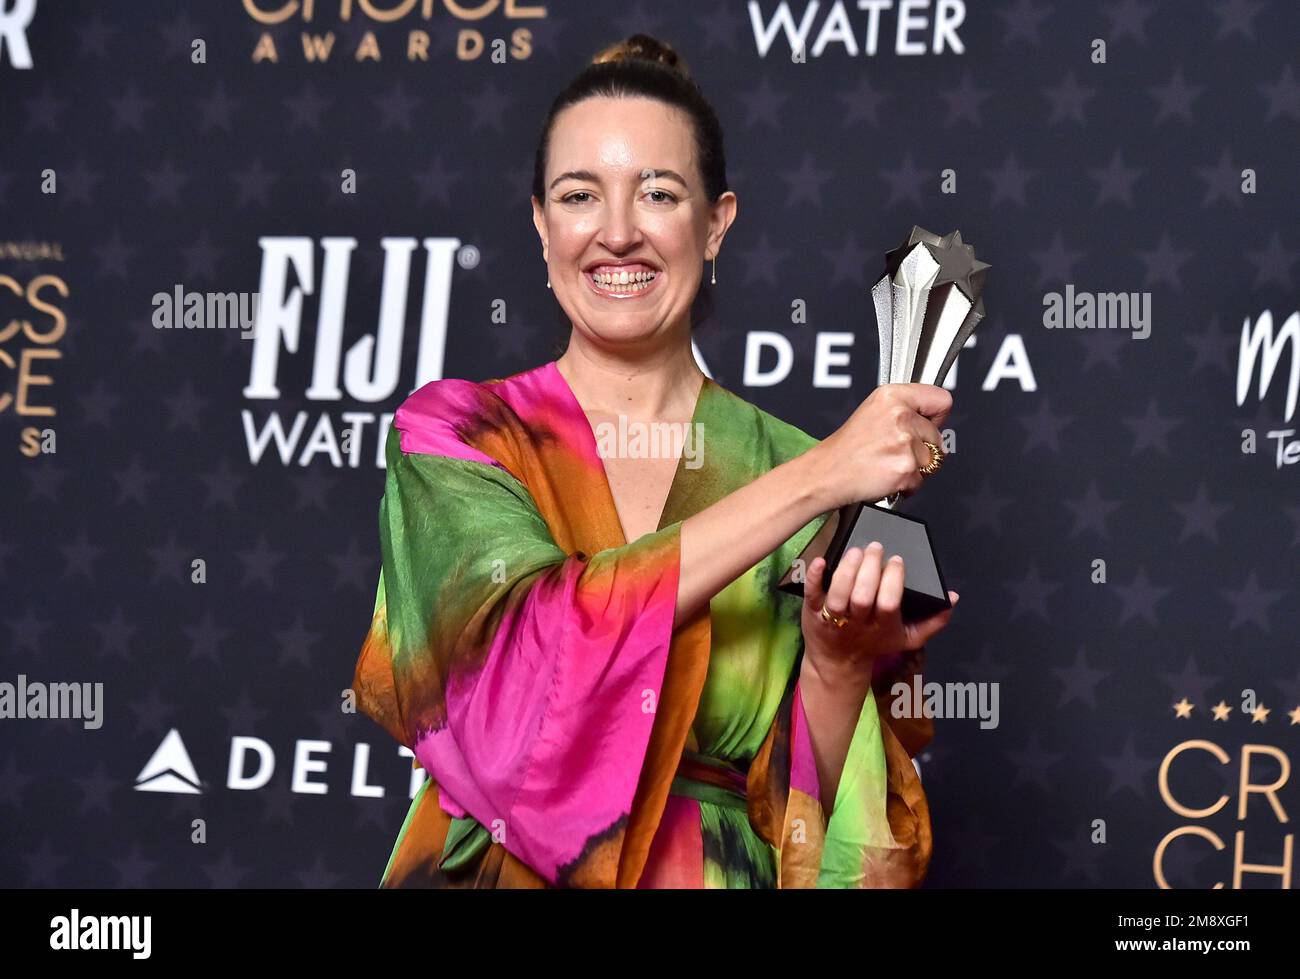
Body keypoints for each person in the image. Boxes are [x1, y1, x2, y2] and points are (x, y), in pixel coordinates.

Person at [351, 33, 958, 889]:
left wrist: (837, 662)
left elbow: (819, 833)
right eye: (578, 195)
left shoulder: (798, 469)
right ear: (541, 223)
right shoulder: (462, 435)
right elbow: (538, 669)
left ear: (717, 224)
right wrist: (822, 475)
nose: (618, 233)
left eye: (661, 194)